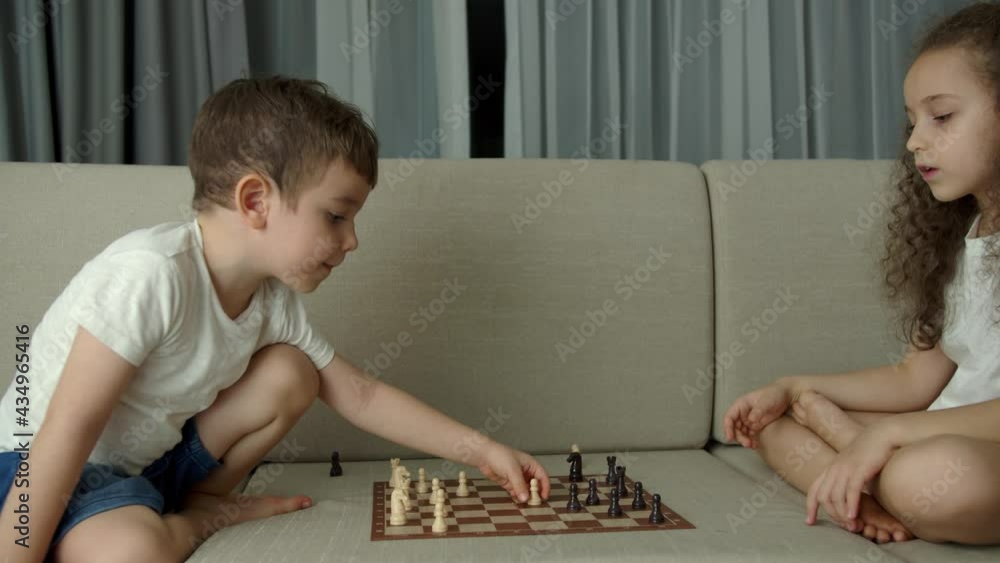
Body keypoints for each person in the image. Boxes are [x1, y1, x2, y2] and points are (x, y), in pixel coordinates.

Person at [0, 77, 551, 563]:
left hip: (148, 471)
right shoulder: (151, 274)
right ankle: (190, 523)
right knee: (131, 554)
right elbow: (66, 432)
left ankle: (200, 502)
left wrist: (481, 451)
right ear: (256, 200)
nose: (352, 240)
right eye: (336, 216)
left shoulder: (272, 303)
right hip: (33, 471)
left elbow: (360, 395)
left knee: (293, 371)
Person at [723, 2, 1000, 546]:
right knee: (773, 427)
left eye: (941, 117)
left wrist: (887, 433)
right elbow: (914, 380)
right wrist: (794, 385)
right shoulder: (962, 240)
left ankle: (868, 469)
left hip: (962, 458)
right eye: (912, 120)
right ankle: (872, 483)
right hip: (934, 436)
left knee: (934, 477)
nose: (916, 140)